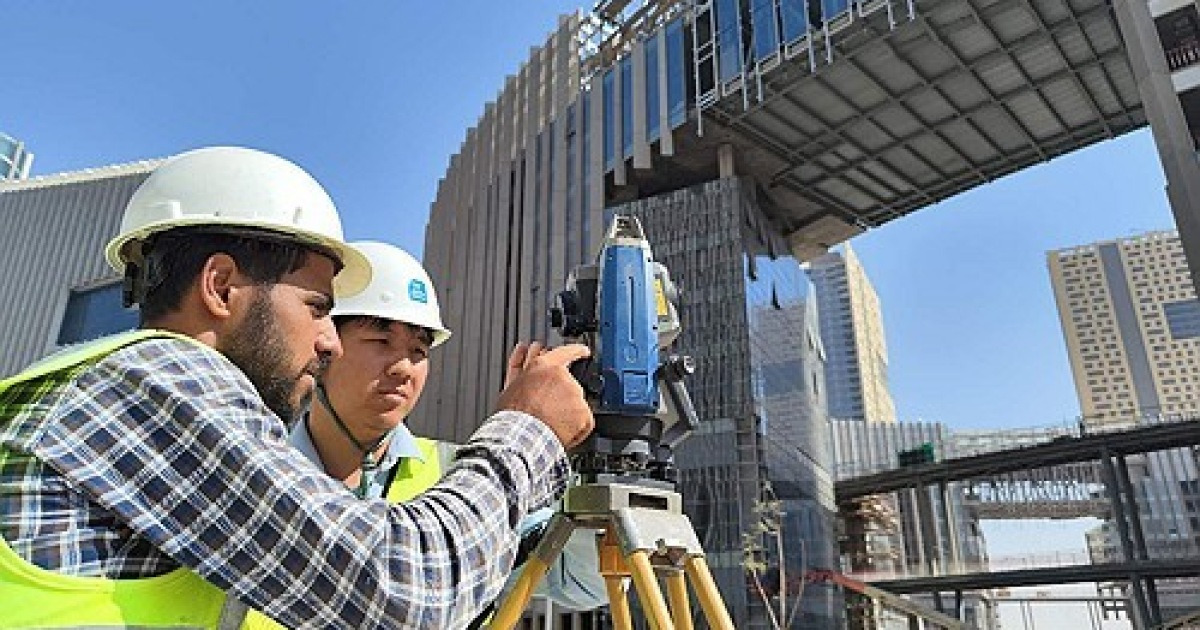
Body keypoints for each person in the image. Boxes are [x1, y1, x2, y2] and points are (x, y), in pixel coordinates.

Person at [0, 146, 594, 628]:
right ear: (222, 285)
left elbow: (570, 579)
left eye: (418, 349)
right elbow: (402, 590)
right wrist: (528, 430)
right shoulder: (155, 384)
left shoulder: (119, 388)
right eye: (316, 309)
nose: (328, 341)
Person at [243, 242, 605, 629]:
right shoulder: (255, 473)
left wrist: (578, 453)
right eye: (381, 342)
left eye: (418, 350)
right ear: (326, 344)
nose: (404, 368)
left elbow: (584, 581)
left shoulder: (465, 474)